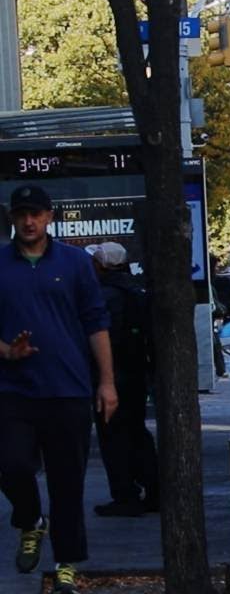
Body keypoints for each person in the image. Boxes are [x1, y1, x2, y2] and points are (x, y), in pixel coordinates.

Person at [0, 185, 117, 594]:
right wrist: (6, 351)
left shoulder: (74, 262)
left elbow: (95, 322)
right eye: (21, 214)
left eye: (35, 213)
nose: (28, 221)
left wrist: (106, 383)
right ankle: (30, 521)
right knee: (11, 465)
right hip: (12, 390)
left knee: (67, 482)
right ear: (12, 218)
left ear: (50, 216)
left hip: (68, 388)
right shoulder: (0, 263)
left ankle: (67, 561)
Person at [86, 242, 159, 517]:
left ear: (103, 266)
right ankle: (152, 489)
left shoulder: (105, 296)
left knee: (113, 436)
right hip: (134, 372)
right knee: (136, 432)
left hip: (112, 375)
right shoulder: (133, 291)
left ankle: (125, 493)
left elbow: (102, 337)